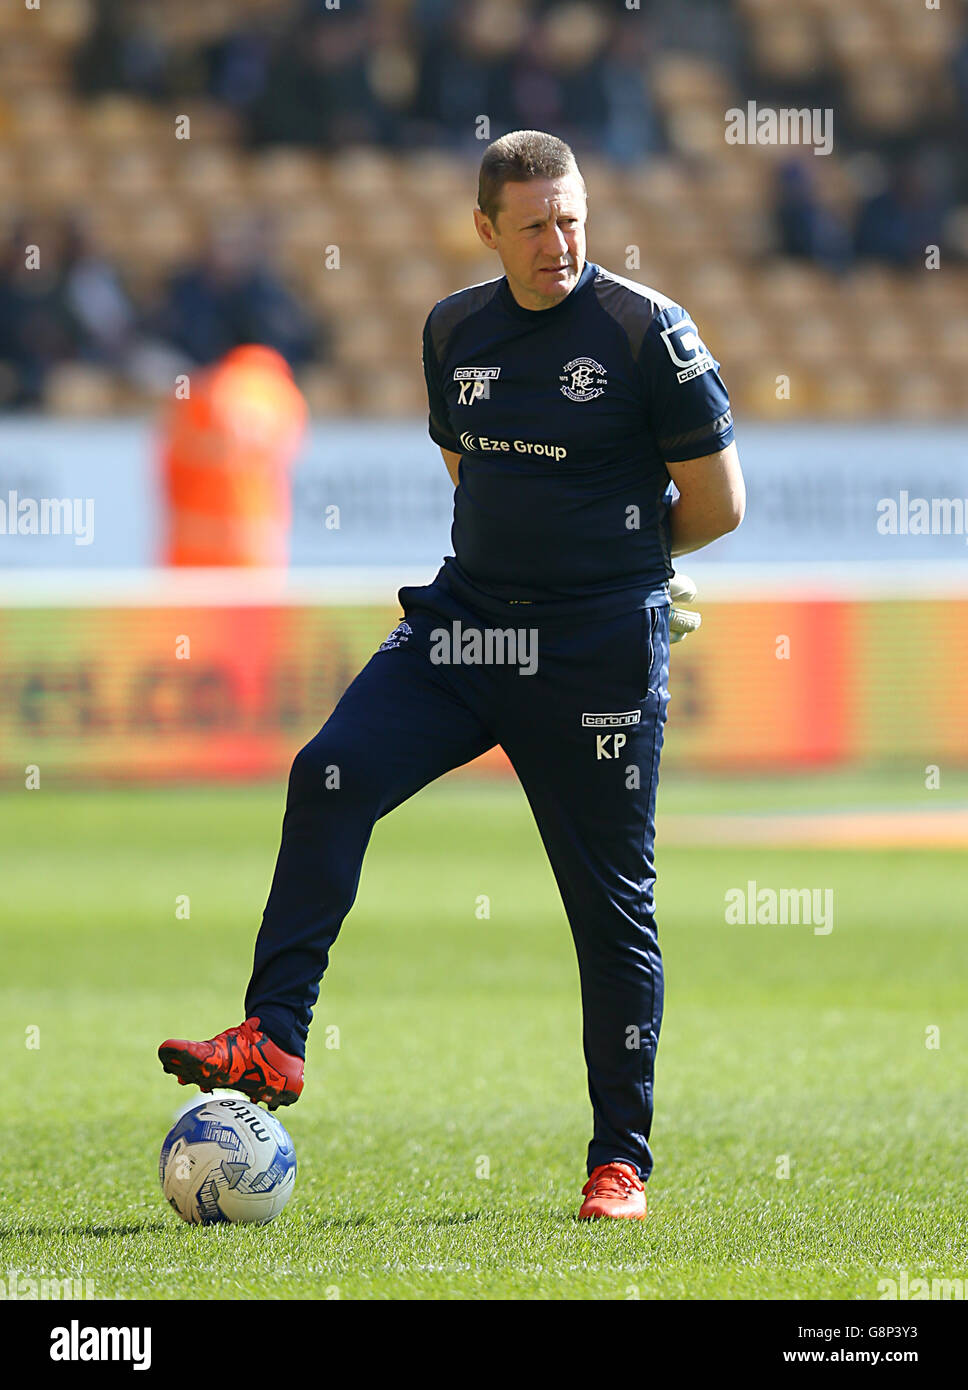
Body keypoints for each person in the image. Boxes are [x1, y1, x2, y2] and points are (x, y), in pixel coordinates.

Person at [159, 129, 745, 1221]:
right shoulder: (452, 330)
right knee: (328, 769)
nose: (557, 242)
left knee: (610, 910)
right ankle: (274, 1037)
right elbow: (469, 477)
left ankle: (618, 1162)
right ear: (486, 229)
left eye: (570, 218)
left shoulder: (644, 333)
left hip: (594, 653)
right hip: (467, 626)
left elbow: (716, 503)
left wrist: (628, 572)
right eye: (532, 225)